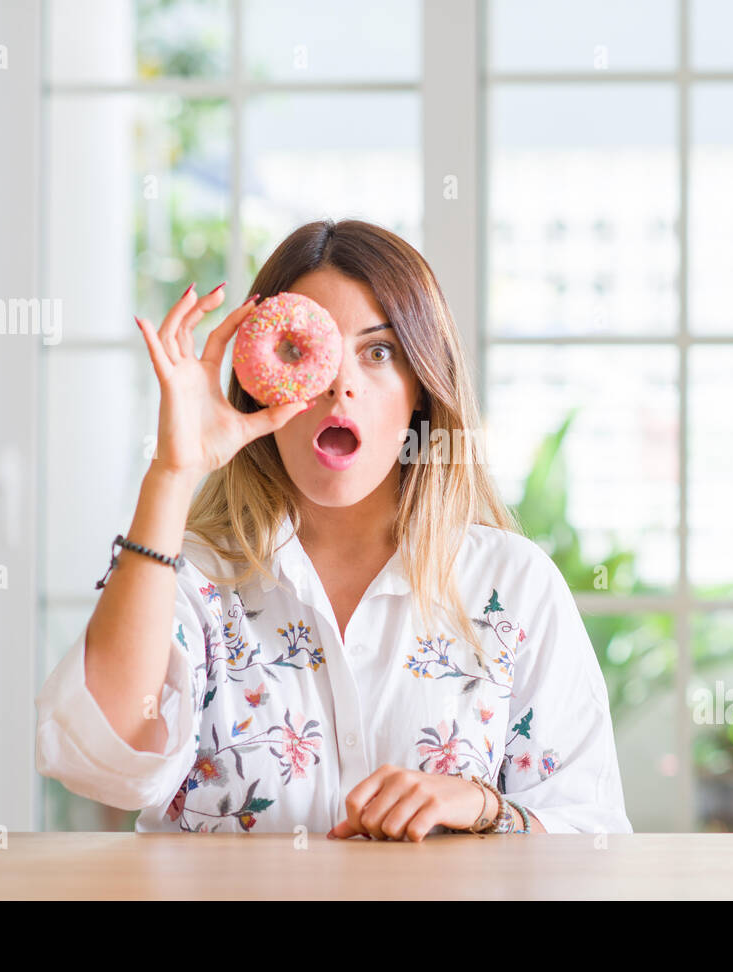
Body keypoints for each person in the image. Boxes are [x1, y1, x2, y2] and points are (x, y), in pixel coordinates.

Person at [35, 218, 632, 840]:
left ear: (420, 391)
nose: (340, 385)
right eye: (301, 350)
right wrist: (171, 474)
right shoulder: (192, 578)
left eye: (378, 352)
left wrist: (481, 806)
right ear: (257, 384)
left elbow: (595, 839)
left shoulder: (512, 584)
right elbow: (99, 763)